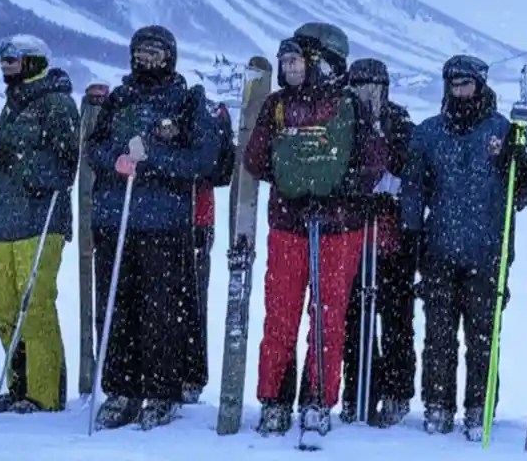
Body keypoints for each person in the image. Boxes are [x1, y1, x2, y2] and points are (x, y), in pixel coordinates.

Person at [245, 23, 390, 437]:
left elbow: (373, 160)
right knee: (281, 316)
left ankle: (318, 400)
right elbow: (255, 159)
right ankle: (274, 399)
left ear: (322, 62)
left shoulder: (349, 105)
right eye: (287, 61)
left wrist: (340, 187)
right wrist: (293, 181)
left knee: (328, 318)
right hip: (289, 225)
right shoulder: (277, 106)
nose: (291, 69)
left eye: (300, 60)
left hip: (339, 229)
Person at [85, 25, 221, 430]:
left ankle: (163, 389)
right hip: (115, 217)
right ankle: (121, 389)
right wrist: (116, 160)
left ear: (170, 58)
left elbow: (203, 159)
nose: (147, 61)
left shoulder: (185, 99)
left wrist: (155, 157)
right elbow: (94, 145)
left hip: (163, 221)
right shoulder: (120, 97)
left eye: (155, 54)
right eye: (141, 53)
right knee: (117, 306)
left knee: (162, 309)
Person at [401, 54, 527, 440]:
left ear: (480, 85)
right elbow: (414, 187)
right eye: (454, 84)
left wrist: (520, 166)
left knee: (483, 336)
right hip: (440, 249)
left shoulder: (503, 130)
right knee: (439, 336)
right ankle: (438, 405)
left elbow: (521, 194)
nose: (460, 91)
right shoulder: (429, 133)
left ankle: (479, 406)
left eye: (467, 84)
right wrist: (412, 232)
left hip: (487, 251)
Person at [0, 35, 80, 414]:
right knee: (1, 306)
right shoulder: (13, 103)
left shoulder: (57, 104)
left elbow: (65, 167)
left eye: (13, 61)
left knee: (34, 305)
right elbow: (6, 156)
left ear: (33, 63)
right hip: (3, 218)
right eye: (3, 61)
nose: (5, 67)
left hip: (40, 219)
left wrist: (13, 156)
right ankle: (18, 385)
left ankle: (44, 394)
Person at [338, 58, 416, 427]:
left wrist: (392, 183)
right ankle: (358, 392)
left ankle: (398, 391)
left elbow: (411, 168)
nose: (365, 92)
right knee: (355, 317)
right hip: (354, 233)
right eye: (358, 85)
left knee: (396, 317)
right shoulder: (342, 119)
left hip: (393, 237)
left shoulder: (398, 122)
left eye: (372, 85)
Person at [183, 98, 235, 405]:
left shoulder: (195, 120)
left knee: (188, 300)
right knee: (189, 300)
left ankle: (188, 373)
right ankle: (187, 373)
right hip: (190, 217)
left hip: (192, 218)